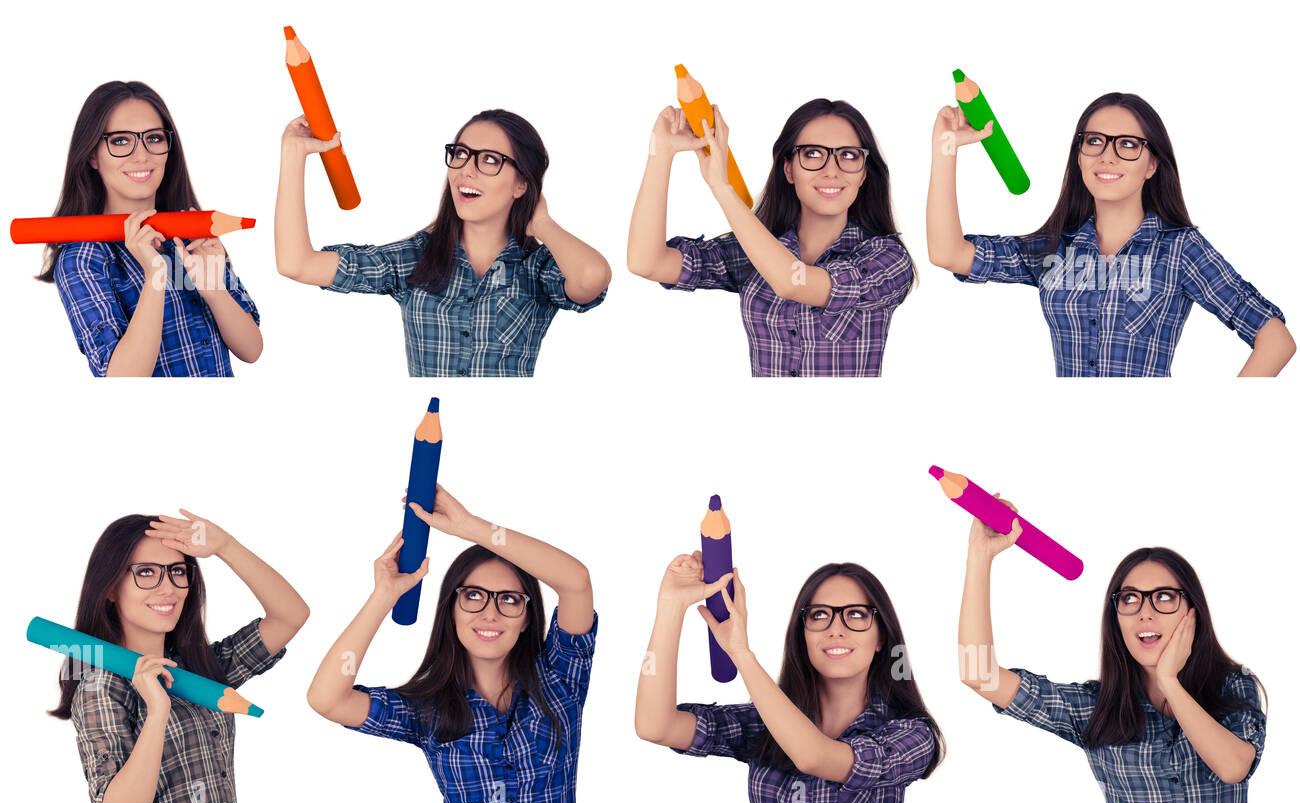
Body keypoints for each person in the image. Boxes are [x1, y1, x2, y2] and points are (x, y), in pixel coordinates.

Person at [927, 92, 1294, 376]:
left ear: (1152, 165)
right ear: (1080, 157)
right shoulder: (1057, 247)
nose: (1107, 155)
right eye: (1094, 141)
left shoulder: (1180, 249)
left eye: (1128, 144)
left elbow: (1276, 340)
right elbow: (949, 253)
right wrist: (945, 148)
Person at [957, 499, 1265, 803]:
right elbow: (978, 674)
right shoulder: (1097, 708)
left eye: (1163, 597)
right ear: (1115, 618)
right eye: (1130, 599)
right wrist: (980, 556)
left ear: (1193, 612)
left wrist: (1169, 681)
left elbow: (1232, 767)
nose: (1145, 613)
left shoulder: (1233, 686)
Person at [307, 486, 596, 803]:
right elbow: (326, 699)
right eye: (473, 595)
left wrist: (470, 527)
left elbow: (576, 582)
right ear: (452, 609)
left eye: (509, 599)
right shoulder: (427, 710)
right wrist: (383, 597)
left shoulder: (561, 680)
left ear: (527, 619)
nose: (490, 612)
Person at [275, 110, 610, 376]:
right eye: (461, 154)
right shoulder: (416, 258)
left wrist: (543, 224)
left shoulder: (537, 269)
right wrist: (293, 153)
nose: (466, 170)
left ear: (520, 184)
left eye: (489, 160)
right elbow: (296, 263)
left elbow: (592, 278)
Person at [628, 99, 916, 377]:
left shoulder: (888, 260)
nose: (832, 170)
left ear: (864, 174)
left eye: (848, 155)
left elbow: (793, 281)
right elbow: (647, 262)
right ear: (789, 169)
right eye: (813, 154)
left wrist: (720, 185)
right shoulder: (754, 249)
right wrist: (661, 153)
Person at [636, 554, 941, 803]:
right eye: (819, 615)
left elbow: (813, 757)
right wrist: (671, 606)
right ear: (802, 633)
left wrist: (741, 654)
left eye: (856, 615)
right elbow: (655, 726)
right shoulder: (766, 722)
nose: (835, 629)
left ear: (881, 638)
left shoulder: (912, 736)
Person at [49, 512, 308, 803]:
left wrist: (226, 546)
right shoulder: (101, 686)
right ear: (110, 588)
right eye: (146, 572)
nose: (168, 587)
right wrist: (157, 713)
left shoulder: (201, 667)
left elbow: (291, 616)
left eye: (177, 571)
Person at [40, 81, 263, 376]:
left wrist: (214, 290)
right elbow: (122, 379)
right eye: (120, 141)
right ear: (93, 155)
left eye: (154, 138)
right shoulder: (82, 260)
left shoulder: (194, 234)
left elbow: (252, 350)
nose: (142, 155)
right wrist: (155, 276)